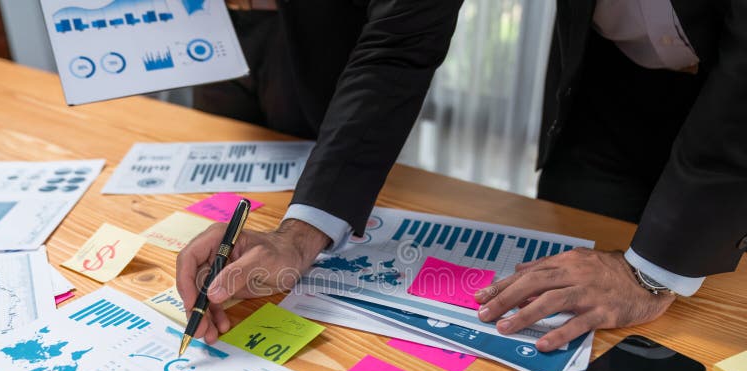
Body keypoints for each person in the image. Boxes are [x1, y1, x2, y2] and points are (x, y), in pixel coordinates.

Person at [178, 0, 747, 351]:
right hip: (608, 87)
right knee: (573, 283)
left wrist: (652, 274)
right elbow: (397, 45)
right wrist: (299, 235)